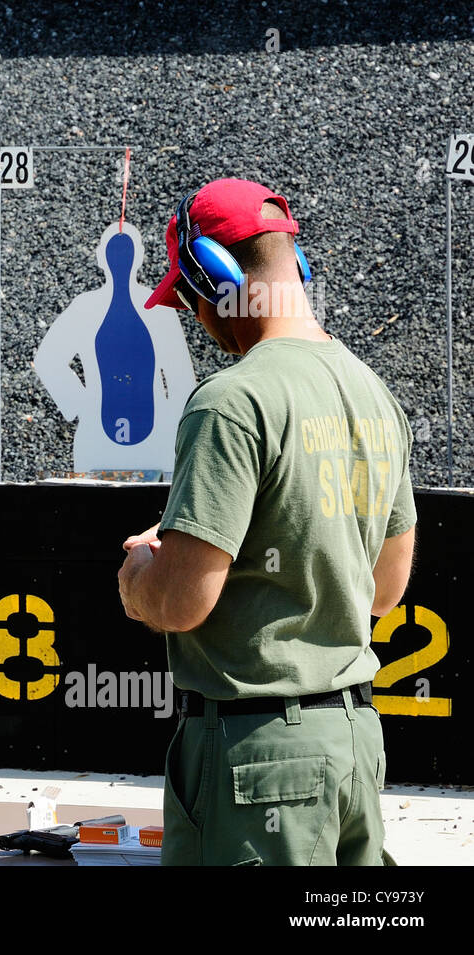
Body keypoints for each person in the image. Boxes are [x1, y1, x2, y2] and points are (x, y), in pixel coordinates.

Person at [116, 179, 416, 866]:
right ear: (297, 270)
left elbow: (181, 601)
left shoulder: (230, 401)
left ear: (211, 274)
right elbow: (384, 589)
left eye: (190, 295)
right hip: (354, 745)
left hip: (257, 764)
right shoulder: (376, 394)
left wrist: (140, 572)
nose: (195, 314)